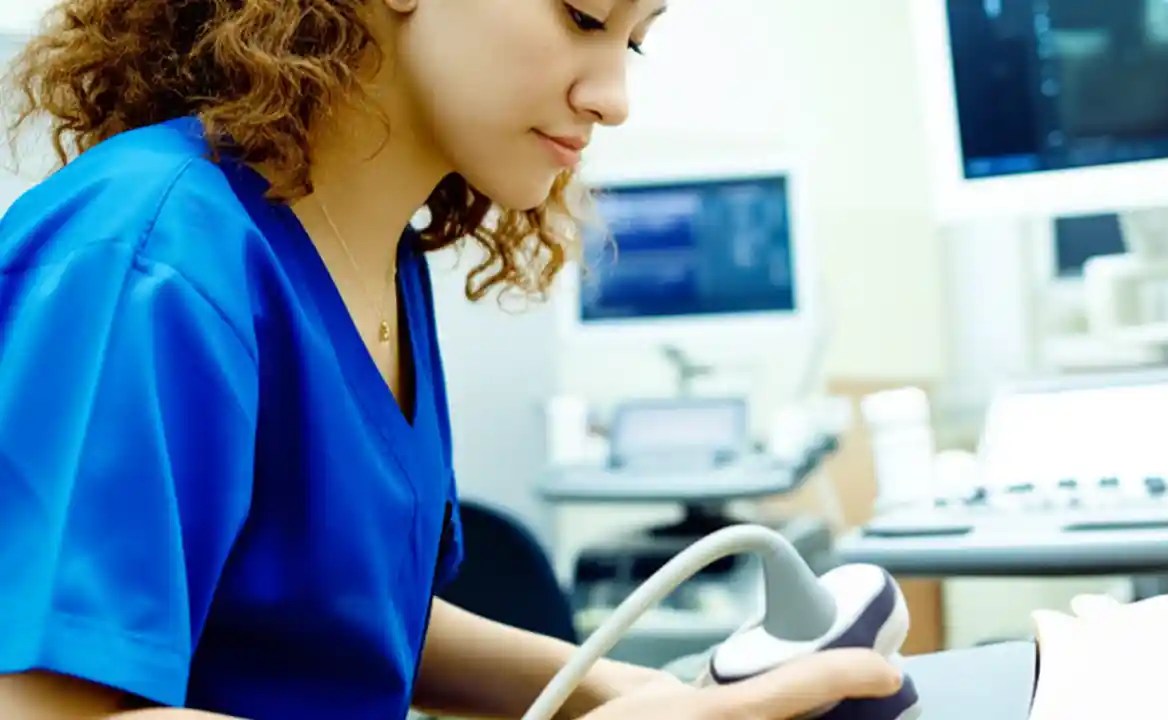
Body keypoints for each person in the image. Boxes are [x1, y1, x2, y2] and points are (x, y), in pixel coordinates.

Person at [0, 0, 904, 718]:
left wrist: (630, 688)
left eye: (638, 39)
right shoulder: (152, 258)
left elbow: (357, 621)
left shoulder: (374, 258)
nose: (615, 97)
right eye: (584, 18)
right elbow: (39, 710)